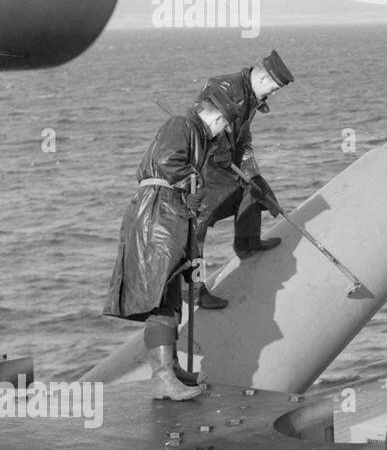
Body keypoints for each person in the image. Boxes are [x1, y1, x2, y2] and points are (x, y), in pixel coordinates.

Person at [103, 92, 240, 400]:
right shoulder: (182, 124)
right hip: (157, 216)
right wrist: (195, 180)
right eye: (223, 126)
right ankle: (164, 377)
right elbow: (168, 161)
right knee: (161, 297)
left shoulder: (194, 131)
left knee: (170, 297)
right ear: (217, 118)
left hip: (166, 213)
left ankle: (171, 370)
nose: (222, 132)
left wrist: (190, 191)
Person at [190, 50, 295, 308]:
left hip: (227, 166)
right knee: (195, 230)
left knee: (254, 189)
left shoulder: (251, 96)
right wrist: (219, 154)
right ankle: (193, 290)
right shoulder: (225, 88)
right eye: (274, 87)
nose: (274, 93)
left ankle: (247, 243)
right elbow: (200, 127)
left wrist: (252, 172)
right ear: (262, 79)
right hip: (204, 170)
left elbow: (243, 137)